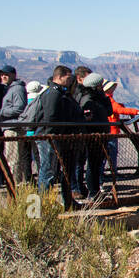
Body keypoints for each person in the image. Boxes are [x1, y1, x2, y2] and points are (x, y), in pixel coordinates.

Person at [27, 66, 83, 209]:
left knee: (64, 171)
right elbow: (51, 117)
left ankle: (68, 202)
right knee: (48, 172)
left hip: (60, 138)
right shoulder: (53, 93)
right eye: (68, 78)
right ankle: (41, 206)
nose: (71, 81)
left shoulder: (63, 93)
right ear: (59, 77)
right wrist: (52, 136)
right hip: (49, 138)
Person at [0, 65, 29, 183]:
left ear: (13, 75)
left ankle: (15, 185)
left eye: (6, 74)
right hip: (11, 126)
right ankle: (19, 184)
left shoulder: (17, 89)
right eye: (2, 74)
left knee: (13, 158)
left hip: (13, 127)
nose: (3, 76)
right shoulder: (11, 88)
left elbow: (19, 108)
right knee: (15, 157)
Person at [79, 73, 113, 199]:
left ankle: (95, 192)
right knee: (93, 164)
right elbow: (87, 118)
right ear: (95, 86)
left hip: (100, 134)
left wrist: (104, 97)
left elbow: (109, 111)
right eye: (100, 85)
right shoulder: (88, 100)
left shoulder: (97, 98)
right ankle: (93, 193)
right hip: (93, 136)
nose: (102, 87)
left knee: (96, 164)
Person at [103, 80, 139, 183]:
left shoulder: (104, 99)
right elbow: (119, 110)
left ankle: (107, 173)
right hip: (111, 132)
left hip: (107, 131)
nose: (113, 90)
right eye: (111, 88)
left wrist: (121, 105)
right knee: (112, 153)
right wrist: (136, 112)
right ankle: (112, 174)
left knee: (106, 154)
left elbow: (117, 107)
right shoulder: (108, 99)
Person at [70, 66, 92, 196]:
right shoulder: (76, 92)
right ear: (79, 78)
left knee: (80, 162)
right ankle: (75, 188)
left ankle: (79, 186)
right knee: (75, 163)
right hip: (75, 132)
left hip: (81, 131)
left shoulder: (81, 91)